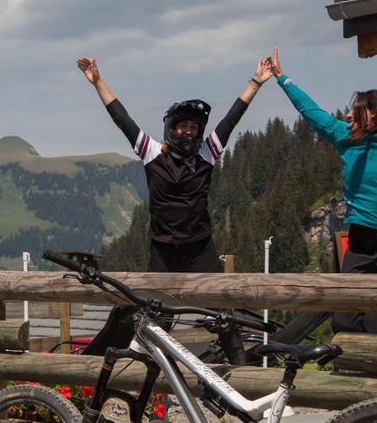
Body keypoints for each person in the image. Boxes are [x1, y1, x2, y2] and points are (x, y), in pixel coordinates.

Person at [266, 47, 377, 333]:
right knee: (345, 320)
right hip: (359, 244)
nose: (348, 113)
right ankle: (354, 373)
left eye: (356, 109)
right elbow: (310, 111)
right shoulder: (344, 138)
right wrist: (281, 77)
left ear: (375, 113)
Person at [77, 55, 273, 275]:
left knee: (220, 305)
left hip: (200, 248)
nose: (189, 131)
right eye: (183, 125)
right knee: (156, 307)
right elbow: (122, 119)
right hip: (163, 250)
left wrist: (255, 83)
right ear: (172, 127)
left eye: (194, 127)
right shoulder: (151, 152)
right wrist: (97, 81)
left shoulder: (206, 153)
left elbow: (232, 118)